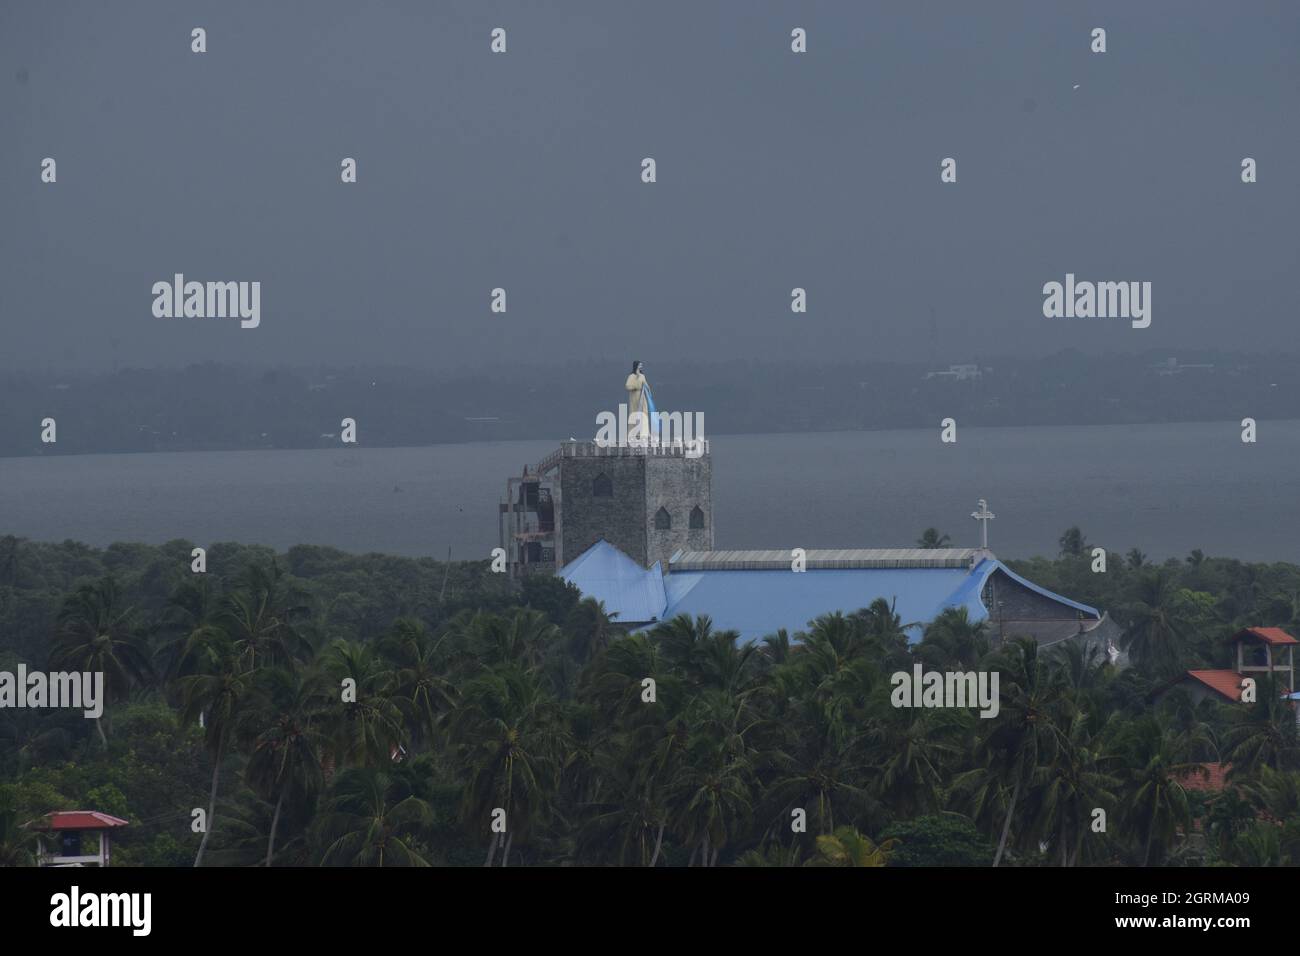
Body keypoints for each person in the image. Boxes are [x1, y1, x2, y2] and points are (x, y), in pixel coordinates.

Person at [625, 361, 650, 443]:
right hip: (634, 396)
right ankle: (633, 434)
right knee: (634, 414)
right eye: (640, 364)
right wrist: (636, 386)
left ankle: (645, 433)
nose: (641, 365)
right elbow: (627, 386)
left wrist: (649, 393)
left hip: (642, 397)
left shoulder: (642, 376)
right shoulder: (631, 376)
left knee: (644, 413)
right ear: (636, 366)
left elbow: (646, 385)